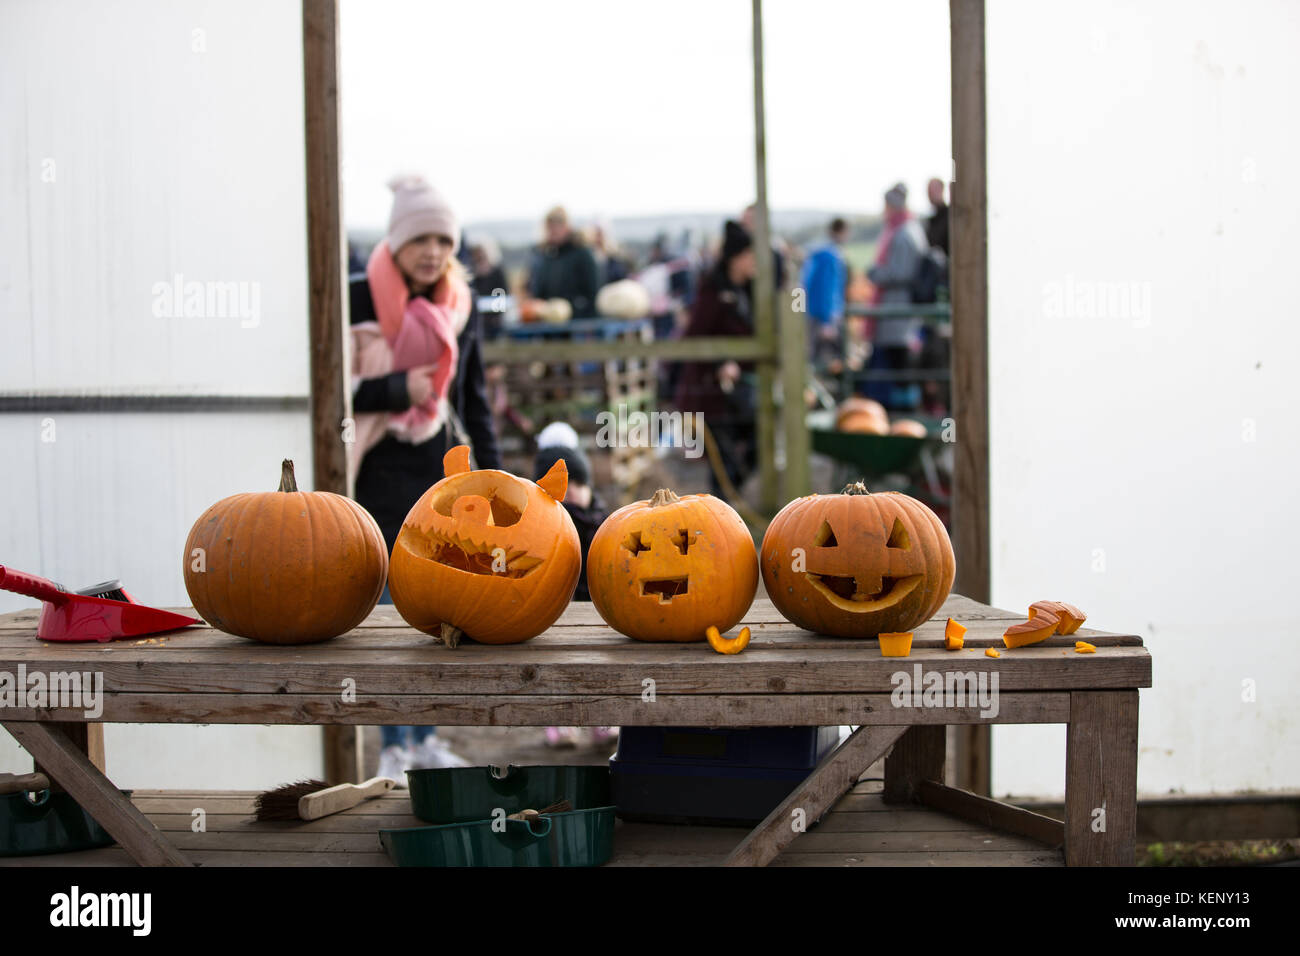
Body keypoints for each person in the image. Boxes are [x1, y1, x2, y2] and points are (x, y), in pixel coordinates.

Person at [349, 175, 502, 783]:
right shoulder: (357, 298)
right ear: (397, 238)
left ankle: (428, 735)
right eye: (421, 237)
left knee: (440, 599)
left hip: (438, 467)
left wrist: (495, 477)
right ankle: (395, 743)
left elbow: (472, 396)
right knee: (390, 601)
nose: (433, 250)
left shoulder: (458, 306)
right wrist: (394, 389)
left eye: (444, 238)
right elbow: (327, 380)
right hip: (378, 466)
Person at [532, 424, 616, 750]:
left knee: (598, 665)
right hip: (554, 607)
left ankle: (602, 719)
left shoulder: (599, 519)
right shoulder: (542, 523)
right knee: (555, 666)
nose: (574, 492)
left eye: (579, 484)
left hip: (593, 605)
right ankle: (561, 720)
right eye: (567, 486)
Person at [674, 221, 759, 500]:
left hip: (741, 390)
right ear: (736, 259)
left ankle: (729, 506)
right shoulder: (712, 293)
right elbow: (694, 338)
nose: (755, 261)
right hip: (710, 391)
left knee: (755, 445)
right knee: (722, 459)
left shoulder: (749, 291)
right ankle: (723, 512)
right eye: (750, 255)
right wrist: (722, 362)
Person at [865, 183, 929, 410]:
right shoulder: (904, 229)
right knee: (897, 365)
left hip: (898, 311)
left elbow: (901, 272)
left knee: (900, 367)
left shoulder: (904, 233)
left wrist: (875, 273)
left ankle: (905, 413)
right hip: (895, 311)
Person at [527, 206, 600, 317]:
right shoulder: (546, 256)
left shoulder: (582, 253)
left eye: (557, 226)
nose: (553, 231)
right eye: (550, 227)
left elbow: (593, 291)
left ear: (567, 226)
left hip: (578, 320)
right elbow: (539, 289)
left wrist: (576, 308)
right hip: (550, 318)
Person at [800, 217, 850, 364]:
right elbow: (828, 289)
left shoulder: (817, 254)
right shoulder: (831, 257)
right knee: (826, 360)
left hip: (812, 313)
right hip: (825, 317)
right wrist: (827, 321)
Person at [925, 177, 949, 258]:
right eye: (928, 191)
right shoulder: (932, 218)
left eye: (932, 191)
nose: (930, 194)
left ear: (941, 190)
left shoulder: (949, 216)